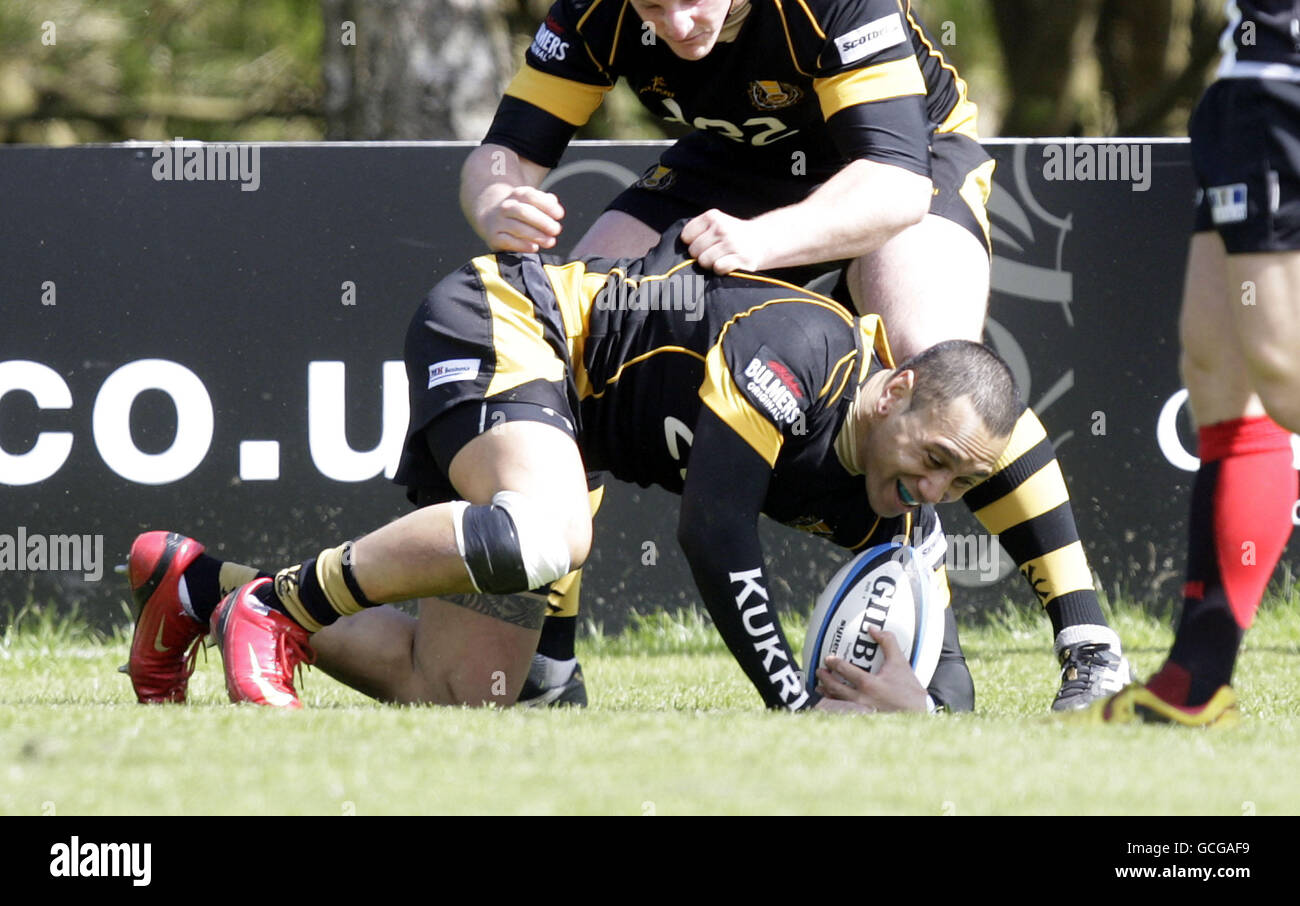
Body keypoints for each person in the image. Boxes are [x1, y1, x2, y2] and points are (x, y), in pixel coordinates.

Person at [461, 0, 1128, 710]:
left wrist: (759, 241)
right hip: (731, 162)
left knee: (937, 366)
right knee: (570, 330)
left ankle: (1090, 642)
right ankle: (549, 664)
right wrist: (496, 200)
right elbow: (504, 148)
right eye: (651, 9)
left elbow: (890, 188)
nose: (677, 25)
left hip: (894, 155)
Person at [124, 225, 1020, 713]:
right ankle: (277, 611)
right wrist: (794, 706)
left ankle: (200, 587)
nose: (932, 492)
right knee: (549, 534)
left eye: (958, 483)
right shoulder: (800, 352)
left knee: (460, 691)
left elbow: (941, 670)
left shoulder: (901, 501)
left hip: (565, 435)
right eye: (933, 459)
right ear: (893, 389)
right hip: (513, 320)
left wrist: (920, 711)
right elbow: (714, 531)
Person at [1083, 0, 1300, 727]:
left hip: (1284, 88)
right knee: (1219, 370)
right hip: (1250, 85)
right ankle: (1198, 677)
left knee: (1285, 373)